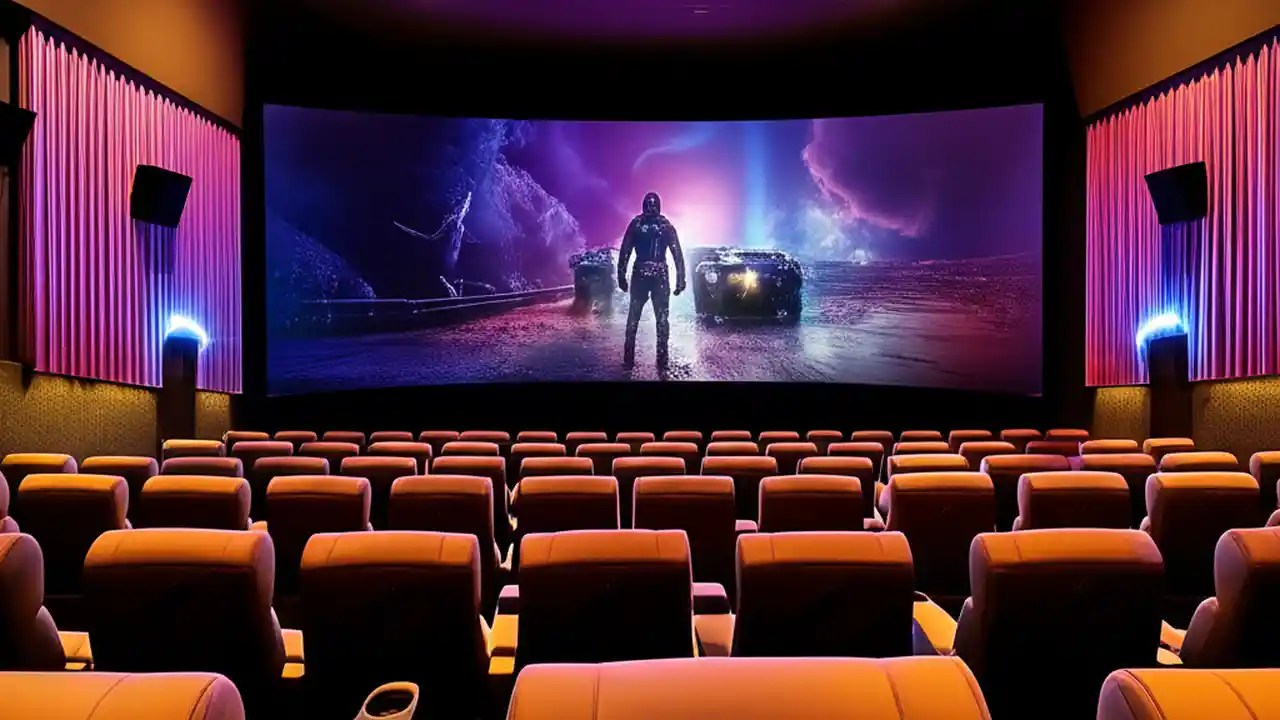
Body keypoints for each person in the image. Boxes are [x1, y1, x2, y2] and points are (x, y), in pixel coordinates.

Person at [618, 192, 686, 373]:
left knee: (636, 317)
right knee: (660, 319)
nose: (650, 207)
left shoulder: (637, 224)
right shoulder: (665, 226)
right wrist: (681, 279)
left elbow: (625, 251)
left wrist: (621, 275)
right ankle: (661, 361)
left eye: (651, 204)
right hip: (658, 274)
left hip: (642, 272)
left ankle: (629, 359)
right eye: (649, 204)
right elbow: (677, 255)